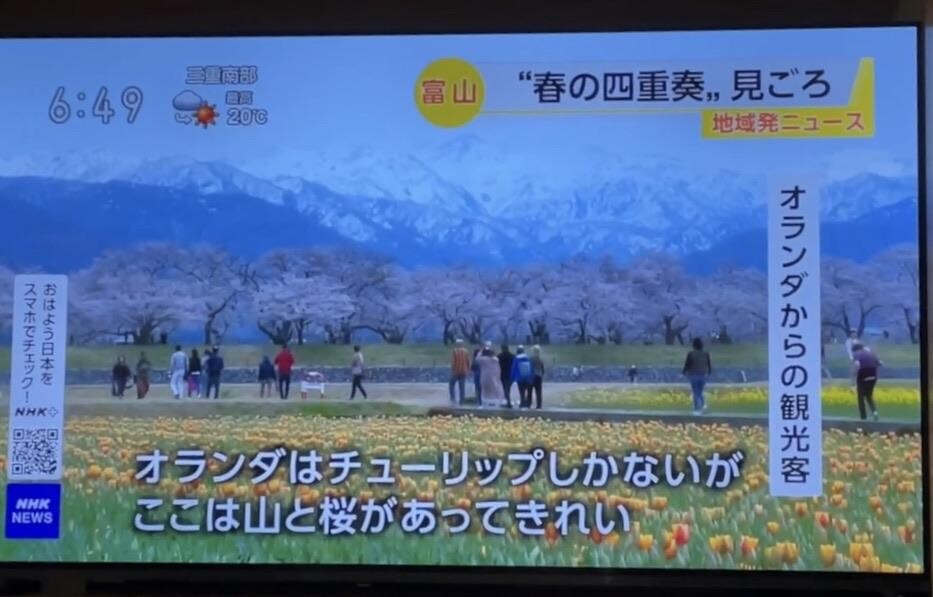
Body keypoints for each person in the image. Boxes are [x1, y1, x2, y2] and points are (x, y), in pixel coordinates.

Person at [852, 342, 882, 421]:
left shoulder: (857, 354)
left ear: (856, 350)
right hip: (873, 376)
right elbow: (880, 363)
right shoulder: (871, 353)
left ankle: (863, 417)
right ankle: (875, 412)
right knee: (869, 396)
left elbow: (857, 365)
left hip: (863, 376)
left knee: (860, 397)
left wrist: (853, 377)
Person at [683, 338, 712, 415]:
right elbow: (709, 364)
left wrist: (684, 372)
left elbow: (687, 364)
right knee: (699, 392)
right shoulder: (706, 354)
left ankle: (699, 408)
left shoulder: (691, 354)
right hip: (703, 375)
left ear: (694, 345)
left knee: (695, 392)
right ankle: (699, 406)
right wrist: (709, 372)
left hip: (693, 375)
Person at [449, 339, 470, 405]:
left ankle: (453, 398)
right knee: (462, 387)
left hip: (456, 371)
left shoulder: (455, 351)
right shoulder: (466, 351)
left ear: (457, 344)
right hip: (463, 371)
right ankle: (462, 401)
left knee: (451, 384)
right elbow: (468, 361)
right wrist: (468, 370)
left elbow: (453, 362)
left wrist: (452, 369)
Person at [530, 345, 545, 409]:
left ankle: (528, 404)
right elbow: (543, 370)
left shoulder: (531, 359)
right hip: (538, 377)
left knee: (529, 391)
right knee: (538, 392)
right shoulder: (540, 360)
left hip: (532, 377)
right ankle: (539, 405)